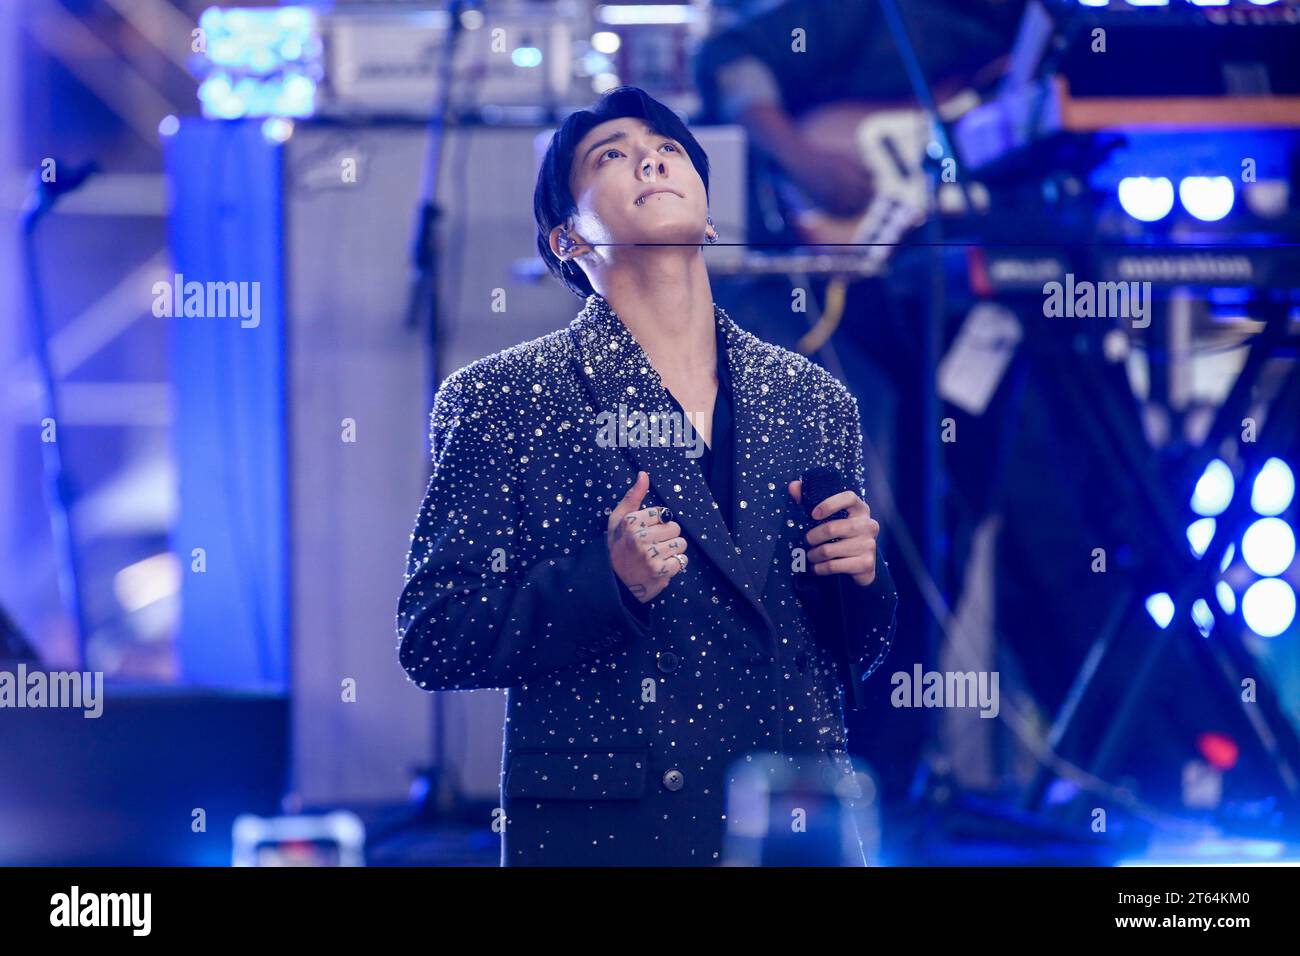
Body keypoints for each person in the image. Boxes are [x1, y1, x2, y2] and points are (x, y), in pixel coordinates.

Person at [395, 87, 897, 866]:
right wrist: (606, 583)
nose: (652, 157)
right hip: (614, 833)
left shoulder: (812, 396)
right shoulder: (502, 399)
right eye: (613, 155)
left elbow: (848, 654)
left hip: (793, 823)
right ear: (565, 241)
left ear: (709, 218)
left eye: (666, 147)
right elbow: (433, 635)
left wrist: (860, 580)